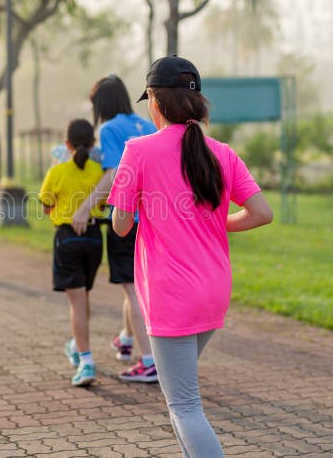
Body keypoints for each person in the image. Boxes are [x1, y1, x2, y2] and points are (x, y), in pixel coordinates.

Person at [108, 56, 273, 457]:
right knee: (179, 397)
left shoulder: (138, 150)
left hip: (172, 295)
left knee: (184, 405)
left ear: (156, 100)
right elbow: (261, 213)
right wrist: (215, 224)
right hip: (214, 289)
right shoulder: (222, 152)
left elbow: (121, 226)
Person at [71, 74, 159, 383]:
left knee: (133, 289)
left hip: (125, 218)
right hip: (151, 217)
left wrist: (85, 208)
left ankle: (149, 361)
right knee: (134, 283)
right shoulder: (148, 125)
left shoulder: (109, 129)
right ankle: (125, 337)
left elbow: (112, 175)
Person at [40, 119, 106, 387]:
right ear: (93, 145)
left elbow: (46, 206)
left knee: (76, 302)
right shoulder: (100, 171)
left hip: (67, 238)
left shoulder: (57, 171)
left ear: (66, 144)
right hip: (93, 238)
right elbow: (103, 203)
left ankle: (86, 360)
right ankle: (76, 345)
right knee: (84, 297)